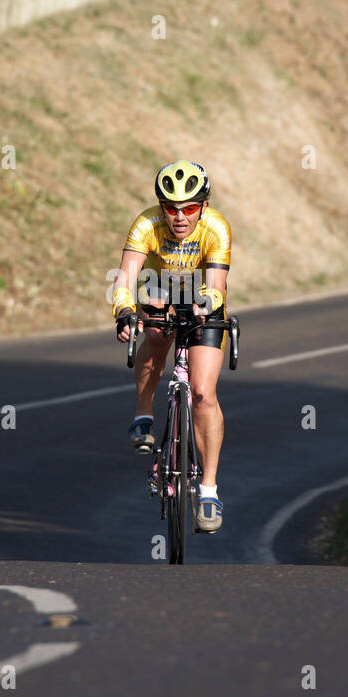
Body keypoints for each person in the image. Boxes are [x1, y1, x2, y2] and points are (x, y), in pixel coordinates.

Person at [112, 160, 231, 534]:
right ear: (161, 206)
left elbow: (217, 285)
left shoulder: (216, 228)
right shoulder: (147, 224)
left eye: (190, 208)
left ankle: (208, 491)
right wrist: (124, 312)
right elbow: (126, 278)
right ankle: (143, 413)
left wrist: (205, 304)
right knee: (153, 333)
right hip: (160, 292)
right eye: (171, 208)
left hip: (202, 300)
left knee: (203, 394)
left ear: (204, 205)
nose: (180, 217)